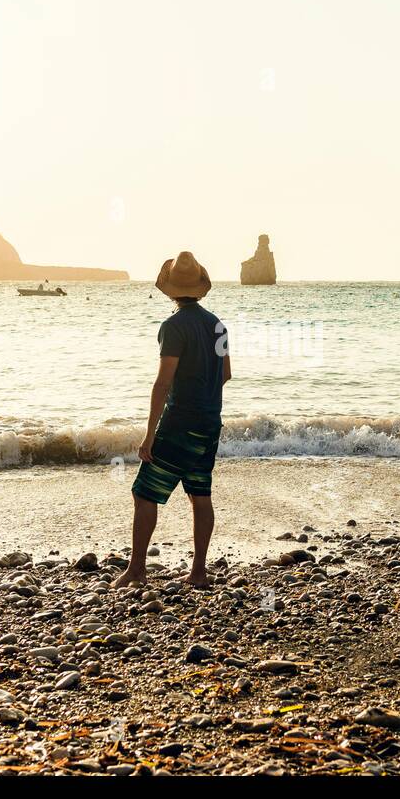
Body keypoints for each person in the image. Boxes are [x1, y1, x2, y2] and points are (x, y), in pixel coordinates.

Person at [113, 251, 231, 589]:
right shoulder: (218, 325)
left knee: (145, 493)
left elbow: (163, 383)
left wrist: (149, 435)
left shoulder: (173, 326)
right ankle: (199, 572)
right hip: (210, 422)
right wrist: (204, 394)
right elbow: (225, 374)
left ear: (170, 289)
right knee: (200, 493)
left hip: (180, 422)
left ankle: (136, 570)